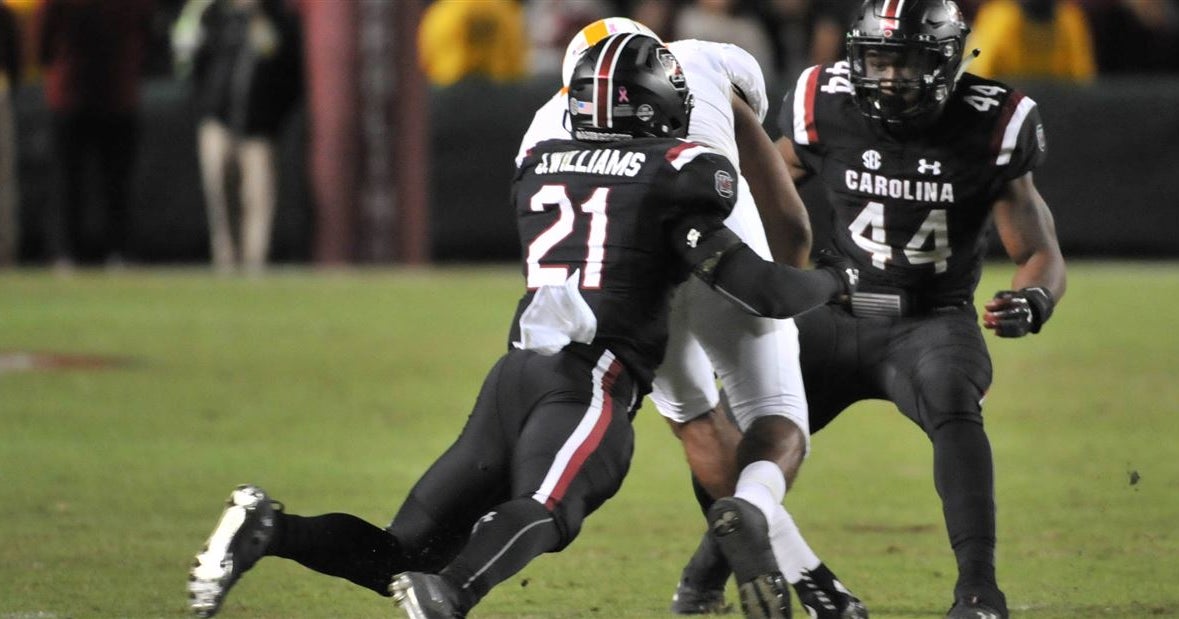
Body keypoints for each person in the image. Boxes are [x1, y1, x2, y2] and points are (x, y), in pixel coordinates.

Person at [186, 32, 858, 619]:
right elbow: (763, 289)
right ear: (653, 100)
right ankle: (450, 592)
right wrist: (835, 277)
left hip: (511, 376)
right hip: (591, 379)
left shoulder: (541, 161)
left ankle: (270, 527)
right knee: (548, 509)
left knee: (400, 547)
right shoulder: (678, 174)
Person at [675, 1, 1068, 617]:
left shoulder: (992, 122)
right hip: (838, 306)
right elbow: (766, 192)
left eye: (906, 63)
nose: (889, 77)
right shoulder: (823, 103)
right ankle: (705, 575)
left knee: (952, 403)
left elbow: (1040, 250)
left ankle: (978, 590)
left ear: (945, 63)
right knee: (746, 427)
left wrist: (1033, 297)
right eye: (879, 60)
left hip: (931, 317)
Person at [517, 17, 868, 619]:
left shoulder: (538, 129)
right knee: (776, 415)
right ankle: (783, 547)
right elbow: (780, 206)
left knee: (695, 419)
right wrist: (804, 271)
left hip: (619, 283)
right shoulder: (704, 61)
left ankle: (811, 579)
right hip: (710, 232)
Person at [36, 0, 155, 267]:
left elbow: (146, 32)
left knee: (114, 183)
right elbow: (43, 35)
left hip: (111, 94)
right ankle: (68, 251)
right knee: (70, 181)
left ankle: (115, 251)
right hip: (77, 94)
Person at [187, 0, 302, 274]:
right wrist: (206, 108)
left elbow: (286, 70)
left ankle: (255, 266)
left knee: (259, 199)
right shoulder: (213, 15)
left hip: (258, 129)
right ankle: (226, 262)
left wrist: (274, 120)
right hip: (218, 123)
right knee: (219, 195)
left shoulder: (278, 19)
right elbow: (195, 64)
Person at [968, 0, 1096, 81]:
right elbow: (980, 76)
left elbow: (1082, 81)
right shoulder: (999, 17)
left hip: (1056, 109)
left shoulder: (1070, 20)